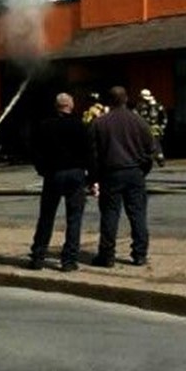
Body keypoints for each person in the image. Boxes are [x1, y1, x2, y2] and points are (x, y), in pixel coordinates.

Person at [89, 86, 155, 268]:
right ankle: (140, 254)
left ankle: (107, 255)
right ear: (126, 99)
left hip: (110, 174)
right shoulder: (139, 121)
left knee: (110, 215)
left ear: (108, 101)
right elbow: (151, 149)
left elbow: (93, 155)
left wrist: (93, 178)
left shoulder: (99, 123)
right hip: (134, 172)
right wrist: (142, 170)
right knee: (138, 215)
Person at [28, 93, 91, 272]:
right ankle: (69, 260)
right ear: (70, 105)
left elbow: (35, 151)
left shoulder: (45, 125)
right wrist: (91, 177)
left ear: (57, 106)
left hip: (53, 174)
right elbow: (89, 152)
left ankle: (38, 257)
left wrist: (42, 170)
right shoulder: (80, 126)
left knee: (46, 217)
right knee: (74, 218)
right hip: (76, 174)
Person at [134, 88, 168, 167]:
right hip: (151, 127)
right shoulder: (157, 105)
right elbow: (164, 117)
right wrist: (162, 126)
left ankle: (157, 157)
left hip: (148, 128)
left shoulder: (141, 106)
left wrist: (162, 126)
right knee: (155, 143)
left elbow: (163, 116)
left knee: (151, 142)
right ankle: (158, 157)